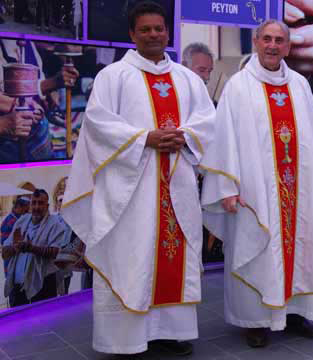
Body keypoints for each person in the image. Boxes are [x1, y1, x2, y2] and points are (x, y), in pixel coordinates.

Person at [59, 1, 215, 356]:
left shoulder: (187, 79)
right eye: (144, 29)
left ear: (167, 32)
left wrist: (186, 135)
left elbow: (208, 121)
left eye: (158, 28)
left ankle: (167, 333)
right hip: (130, 191)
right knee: (133, 257)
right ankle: (127, 340)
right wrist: (145, 137)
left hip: (176, 183)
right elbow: (97, 124)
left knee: (172, 257)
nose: (153, 35)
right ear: (132, 34)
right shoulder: (113, 76)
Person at [201, 19, 313, 348]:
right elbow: (224, 141)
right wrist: (227, 188)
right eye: (267, 39)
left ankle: (294, 313)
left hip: (297, 189)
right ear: (256, 41)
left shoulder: (300, 86)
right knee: (257, 248)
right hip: (255, 191)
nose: (273, 46)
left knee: (302, 248)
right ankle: (256, 320)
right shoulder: (238, 86)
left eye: (279, 40)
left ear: (288, 46)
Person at [1, 189, 66, 307]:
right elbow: (5, 253)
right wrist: (15, 248)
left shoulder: (55, 225)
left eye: (40, 203)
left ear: (47, 205)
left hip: (43, 286)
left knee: (42, 322)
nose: (36, 207)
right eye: (34, 203)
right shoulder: (22, 221)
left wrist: (31, 248)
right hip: (17, 288)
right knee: (19, 323)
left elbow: (56, 252)